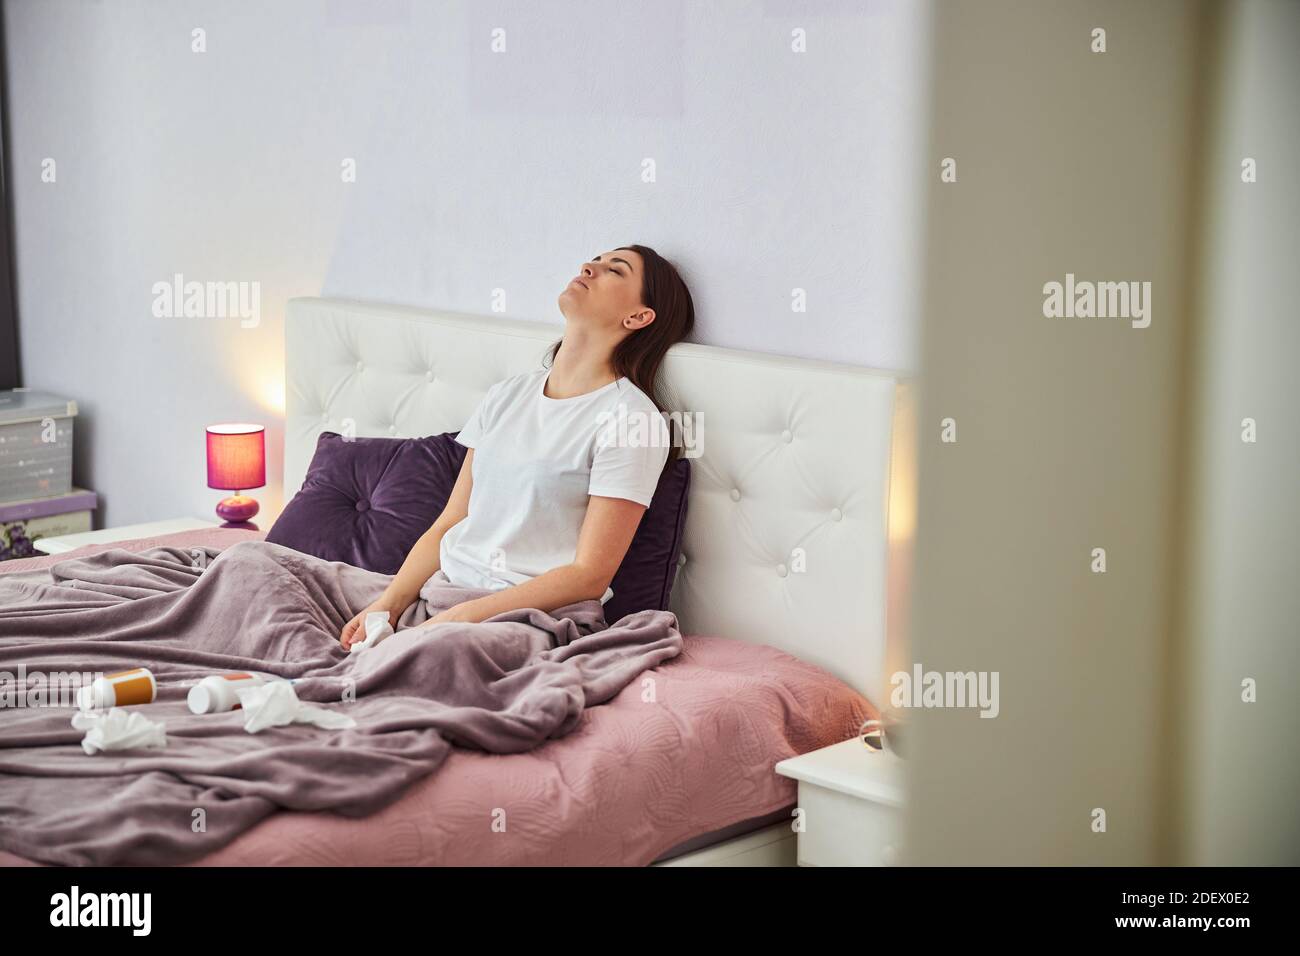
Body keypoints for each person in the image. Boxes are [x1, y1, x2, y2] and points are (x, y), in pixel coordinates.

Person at [340, 245, 695, 648]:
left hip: (522, 619)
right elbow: (450, 522)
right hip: (442, 595)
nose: (589, 267)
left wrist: (459, 619)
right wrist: (386, 606)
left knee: (432, 659)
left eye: (615, 269)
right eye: (593, 260)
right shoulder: (508, 394)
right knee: (259, 566)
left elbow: (590, 574)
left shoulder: (632, 419)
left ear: (637, 316)